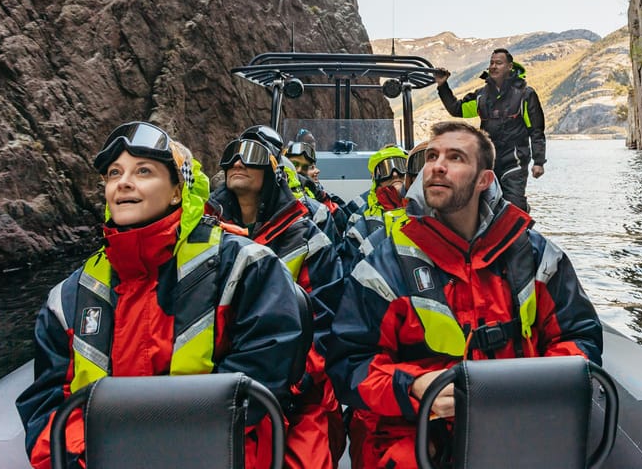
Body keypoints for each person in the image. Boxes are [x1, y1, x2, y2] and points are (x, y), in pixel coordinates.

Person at [16, 121, 307, 469]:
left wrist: (167, 448)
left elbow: (265, 375)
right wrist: (91, 456)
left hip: (219, 456)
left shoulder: (245, 267)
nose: (123, 182)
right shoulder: (67, 298)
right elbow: (47, 406)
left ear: (175, 190)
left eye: (143, 171)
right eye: (114, 173)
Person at [325, 121, 604, 469]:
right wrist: (411, 387)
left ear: (484, 180)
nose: (437, 165)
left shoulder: (536, 256)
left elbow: (579, 336)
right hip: (415, 435)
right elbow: (350, 363)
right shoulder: (383, 267)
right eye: (432, 156)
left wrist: (534, 390)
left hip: (518, 428)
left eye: (455, 157)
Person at [206, 125, 346, 469]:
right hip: (218, 390)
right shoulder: (204, 236)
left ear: (272, 169)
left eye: (251, 155)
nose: (238, 161)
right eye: (231, 155)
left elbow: (327, 320)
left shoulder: (307, 236)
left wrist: (292, 383)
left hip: (295, 390)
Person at [436, 48, 546, 211]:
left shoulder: (525, 94)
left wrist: (539, 162)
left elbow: (536, 130)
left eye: (499, 63)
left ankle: (521, 224)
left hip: (514, 162)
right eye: (491, 63)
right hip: (487, 163)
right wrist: (442, 85)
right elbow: (456, 109)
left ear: (509, 66)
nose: (493, 66)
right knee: (482, 206)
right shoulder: (481, 95)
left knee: (514, 208)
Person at [338, 144, 408, 273]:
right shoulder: (360, 220)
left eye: (400, 165)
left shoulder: (428, 209)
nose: (395, 173)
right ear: (376, 177)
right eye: (385, 168)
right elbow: (350, 268)